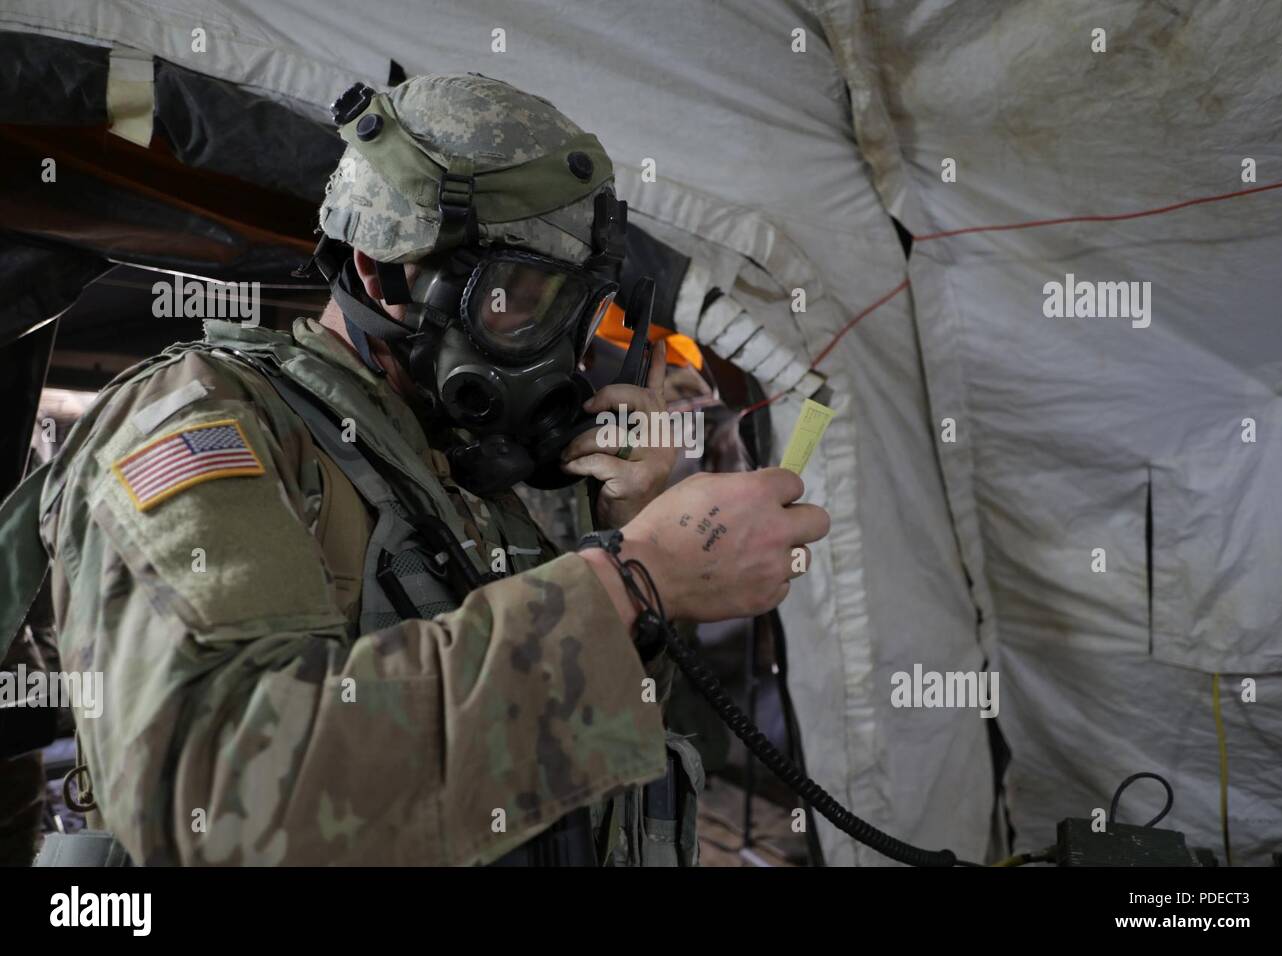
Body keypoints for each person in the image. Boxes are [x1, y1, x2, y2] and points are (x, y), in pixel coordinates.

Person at [7, 73, 829, 865]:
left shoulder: (451, 474)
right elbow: (222, 804)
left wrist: (632, 545)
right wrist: (632, 582)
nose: (557, 353)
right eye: (520, 298)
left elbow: (588, 766)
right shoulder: (212, 420)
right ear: (381, 271)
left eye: (575, 312)